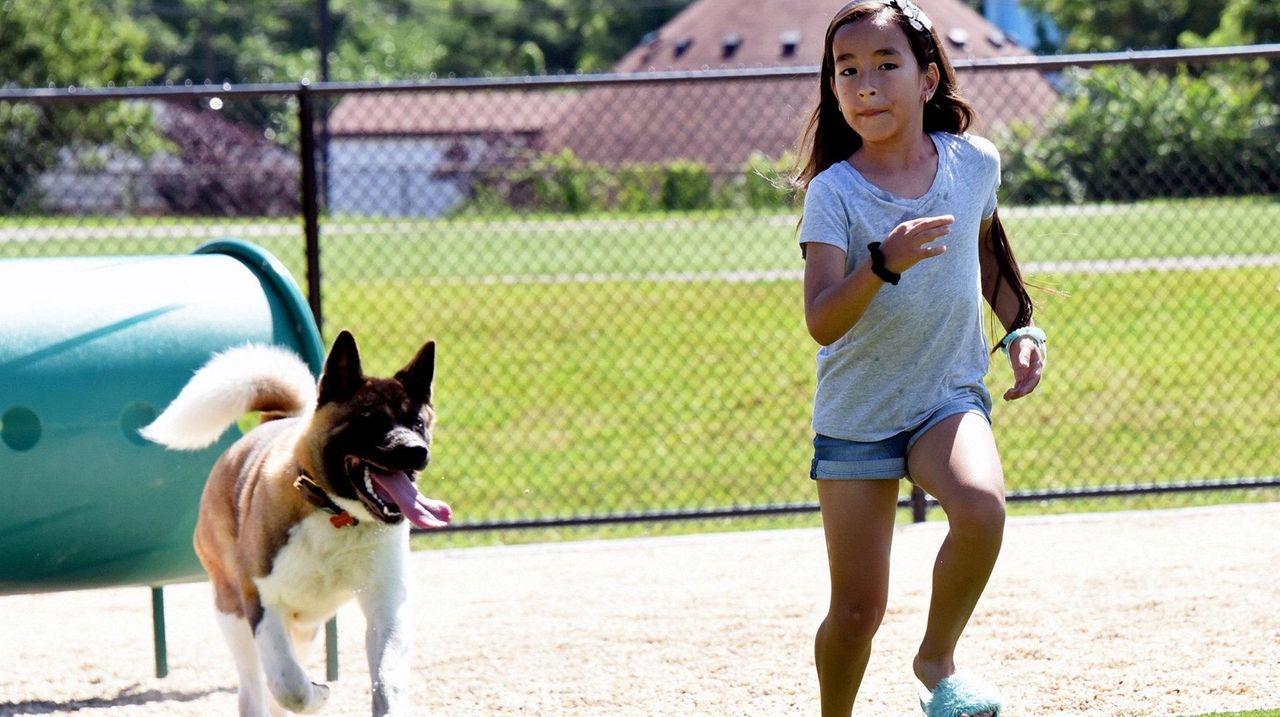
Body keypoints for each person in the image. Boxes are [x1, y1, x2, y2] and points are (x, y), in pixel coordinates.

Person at [793, 1, 1046, 716]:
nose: (866, 85)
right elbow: (821, 320)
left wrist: (1022, 328)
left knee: (981, 507)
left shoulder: (974, 163)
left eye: (885, 65)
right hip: (859, 415)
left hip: (946, 397)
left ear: (928, 78)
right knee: (856, 613)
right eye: (847, 71)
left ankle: (937, 657)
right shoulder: (834, 192)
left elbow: (986, 251)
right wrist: (883, 262)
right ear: (834, 88)